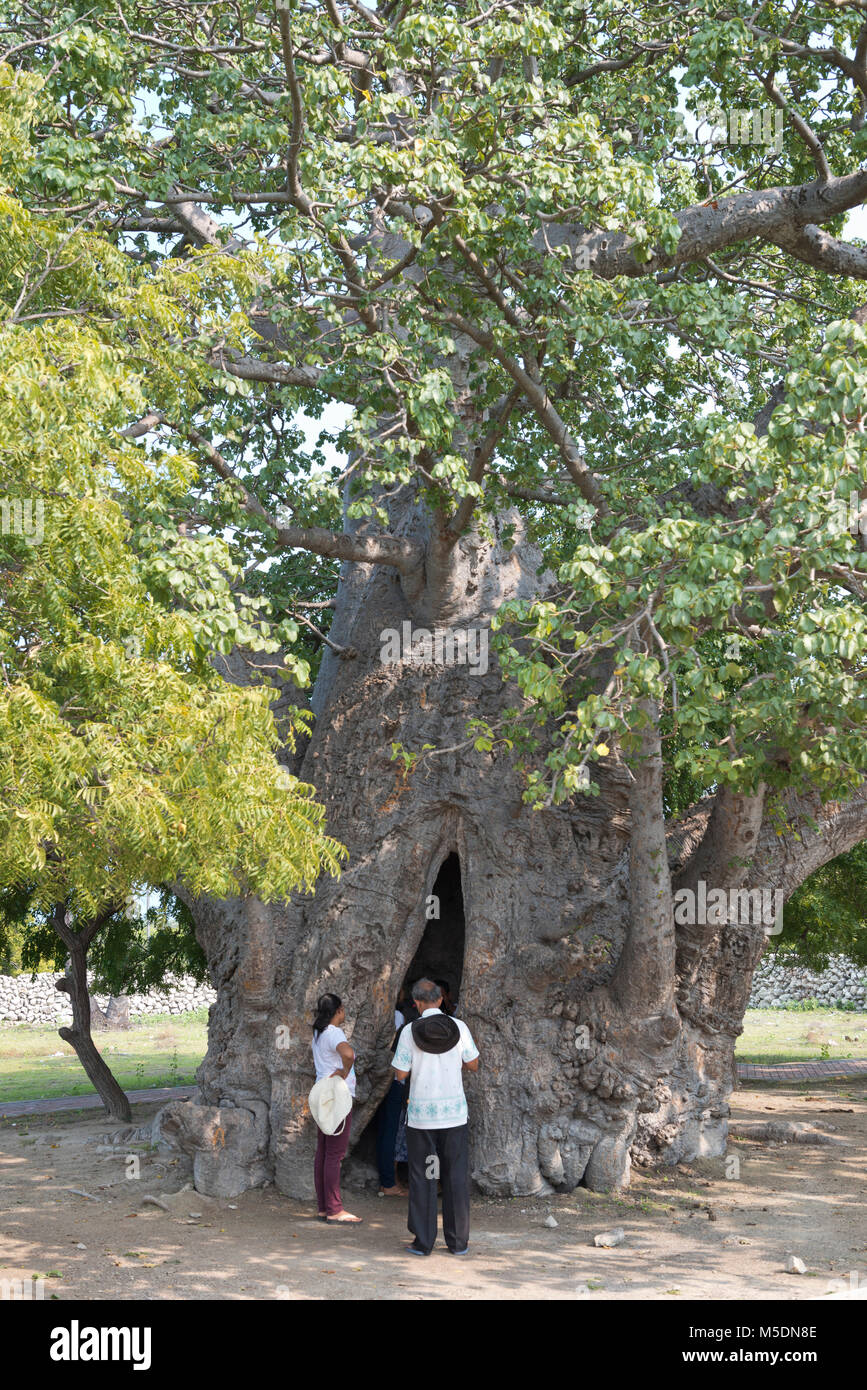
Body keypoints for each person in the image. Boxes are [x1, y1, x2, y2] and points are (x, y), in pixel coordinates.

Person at [392, 978, 479, 1256]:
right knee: (455, 1176)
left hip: (422, 1118)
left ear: (416, 1003)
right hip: (454, 1116)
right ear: (440, 999)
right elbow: (473, 1064)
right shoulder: (459, 1027)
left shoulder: (409, 1030)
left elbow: (401, 1074)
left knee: (425, 1176)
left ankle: (423, 1241)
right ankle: (458, 1242)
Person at [311, 993, 362, 1224]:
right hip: (337, 1096)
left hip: (322, 1094)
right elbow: (348, 1054)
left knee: (323, 1151)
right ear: (339, 1010)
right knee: (334, 1153)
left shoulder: (318, 1033)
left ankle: (324, 1207)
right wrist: (344, 1071)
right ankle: (334, 1209)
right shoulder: (334, 1032)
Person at [375, 998, 409, 1197]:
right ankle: (388, 1182)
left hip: (380, 1078)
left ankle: (387, 1180)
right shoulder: (397, 1017)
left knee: (385, 1129)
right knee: (391, 1131)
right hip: (396, 1081)